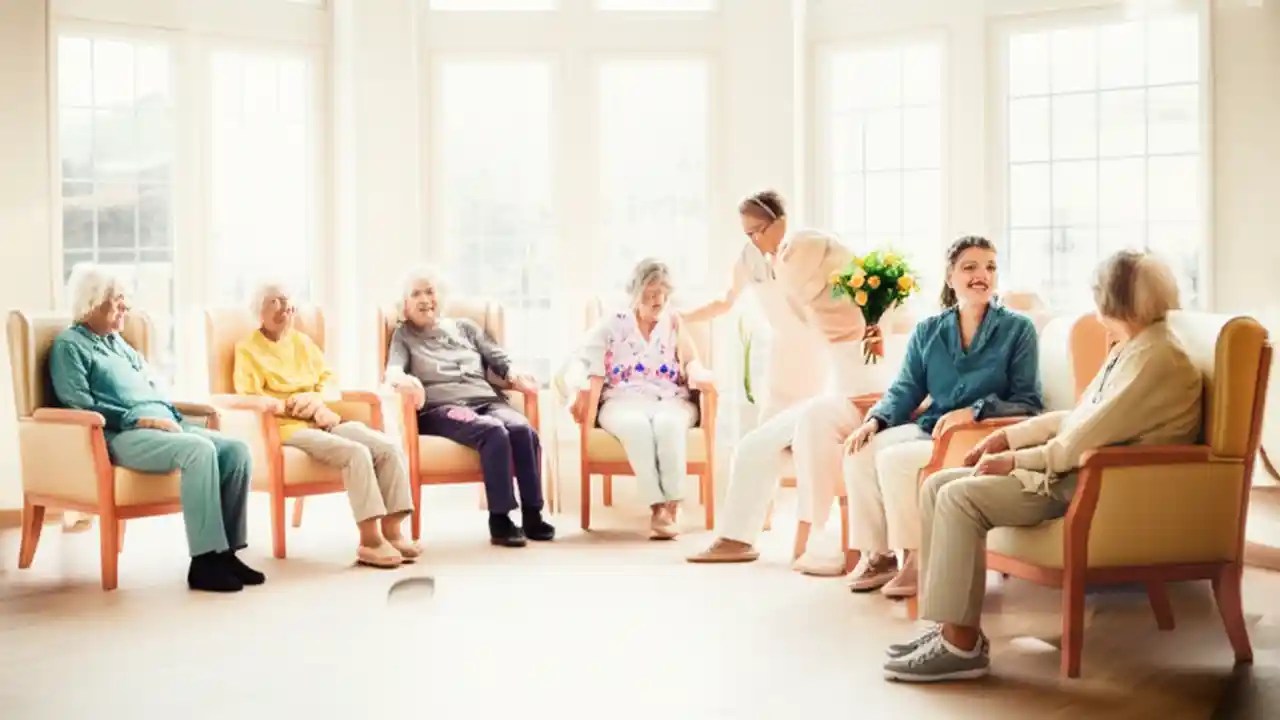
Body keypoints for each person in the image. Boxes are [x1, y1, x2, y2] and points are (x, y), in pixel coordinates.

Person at [883, 250, 1202, 682]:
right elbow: (1080, 418)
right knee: (937, 485)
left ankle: (961, 647)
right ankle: (947, 629)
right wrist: (1009, 437)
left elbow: (1078, 444)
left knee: (959, 498)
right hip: (1082, 472)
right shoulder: (1135, 345)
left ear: (1114, 300)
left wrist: (1014, 460)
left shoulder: (1155, 359)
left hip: (1102, 486)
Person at [831, 236, 1043, 593]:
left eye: (990, 267)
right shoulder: (928, 331)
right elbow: (906, 388)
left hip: (980, 437)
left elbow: (1028, 401)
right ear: (950, 277)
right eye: (970, 267)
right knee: (860, 451)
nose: (982, 276)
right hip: (934, 429)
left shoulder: (1017, 330)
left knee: (895, 460)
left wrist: (972, 412)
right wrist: (874, 421)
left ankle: (917, 559)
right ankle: (879, 555)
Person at [50, 264, 262, 592]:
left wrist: (170, 416)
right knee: (199, 451)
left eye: (125, 301)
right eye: (118, 301)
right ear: (93, 302)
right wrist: (137, 419)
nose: (126, 308)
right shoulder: (69, 346)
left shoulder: (120, 344)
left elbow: (150, 388)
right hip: (122, 435)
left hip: (164, 424)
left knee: (236, 451)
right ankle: (204, 562)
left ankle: (226, 553)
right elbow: (78, 405)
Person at [687, 190, 867, 563]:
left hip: (823, 361)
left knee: (790, 444)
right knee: (761, 441)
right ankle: (744, 531)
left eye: (758, 230)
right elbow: (725, 300)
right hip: (784, 358)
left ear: (781, 222)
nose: (754, 239)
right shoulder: (751, 259)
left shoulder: (808, 253)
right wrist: (682, 318)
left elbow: (854, 297)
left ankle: (796, 533)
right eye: (747, 233)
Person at [234, 281, 418, 568]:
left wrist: (316, 399)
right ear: (259, 312)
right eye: (275, 302)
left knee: (388, 447)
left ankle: (392, 532)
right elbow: (249, 397)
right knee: (356, 453)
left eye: (287, 301)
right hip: (287, 427)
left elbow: (329, 379)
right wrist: (295, 406)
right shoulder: (247, 350)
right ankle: (370, 541)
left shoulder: (302, 342)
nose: (285, 308)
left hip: (323, 418)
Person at [384, 266, 553, 548]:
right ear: (405, 304)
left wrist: (514, 375)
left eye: (430, 291)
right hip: (441, 407)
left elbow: (498, 358)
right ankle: (500, 519)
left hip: (486, 399)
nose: (425, 299)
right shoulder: (404, 336)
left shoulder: (466, 328)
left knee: (523, 429)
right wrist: (404, 381)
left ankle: (533, 514)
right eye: (416, 294)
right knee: (492, 431)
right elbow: (392, 371)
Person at [567, 258, 715, 539]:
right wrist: (581, 394)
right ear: (636, 293)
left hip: (670, 398)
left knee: (668, 426)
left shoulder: (673, 322)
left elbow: (691, 360)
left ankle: (673, 504)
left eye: (661, 292)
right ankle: (658, 507)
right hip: (622, 400)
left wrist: (702, 375)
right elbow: (589, 364)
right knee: (637, 428)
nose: (657, 299)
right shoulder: (613, 323)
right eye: (650, 293)